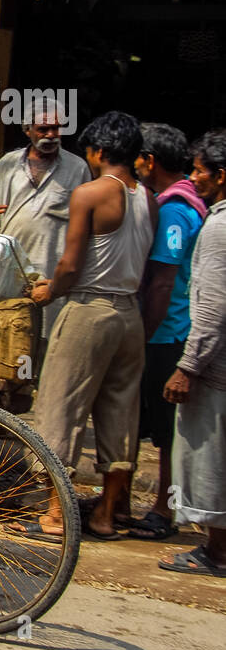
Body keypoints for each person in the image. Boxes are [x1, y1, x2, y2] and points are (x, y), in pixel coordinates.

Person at [23, 112, 157, 541]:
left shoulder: (90, 193)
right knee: (120, 414)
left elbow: (70, 264)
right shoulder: (148, 197)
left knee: (61, 405)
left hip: (90, 310)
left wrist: (50, 292)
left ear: (98, 151)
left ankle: (55, 514)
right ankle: (105, 514)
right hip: (129, 314)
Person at [118, 123, 205, 541]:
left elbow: (164, 281)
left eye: (137, 157)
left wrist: (145, 331)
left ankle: (163, 510)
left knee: (164, 431)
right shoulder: (185, 203)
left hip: (165, 333)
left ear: (149, 161)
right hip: (168, 330)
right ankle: (124, 502)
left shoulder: (172, 210)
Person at [0, 95, 90, 347]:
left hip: (52, 278)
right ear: (27, 130)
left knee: (48, 343)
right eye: (43, 129)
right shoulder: (7, 165)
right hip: (12, 274)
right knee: (10, 339)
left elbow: (86, 230)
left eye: (56, 128)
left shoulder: (78, 169)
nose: (51, 135)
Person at [159, 130, 226, 577]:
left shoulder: (219, 227)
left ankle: (216, 551)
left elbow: (213, 305)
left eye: (200, 170)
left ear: (221, 176)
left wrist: (188, 366)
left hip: (214, 368)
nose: (194, 177)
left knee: (209, 458)